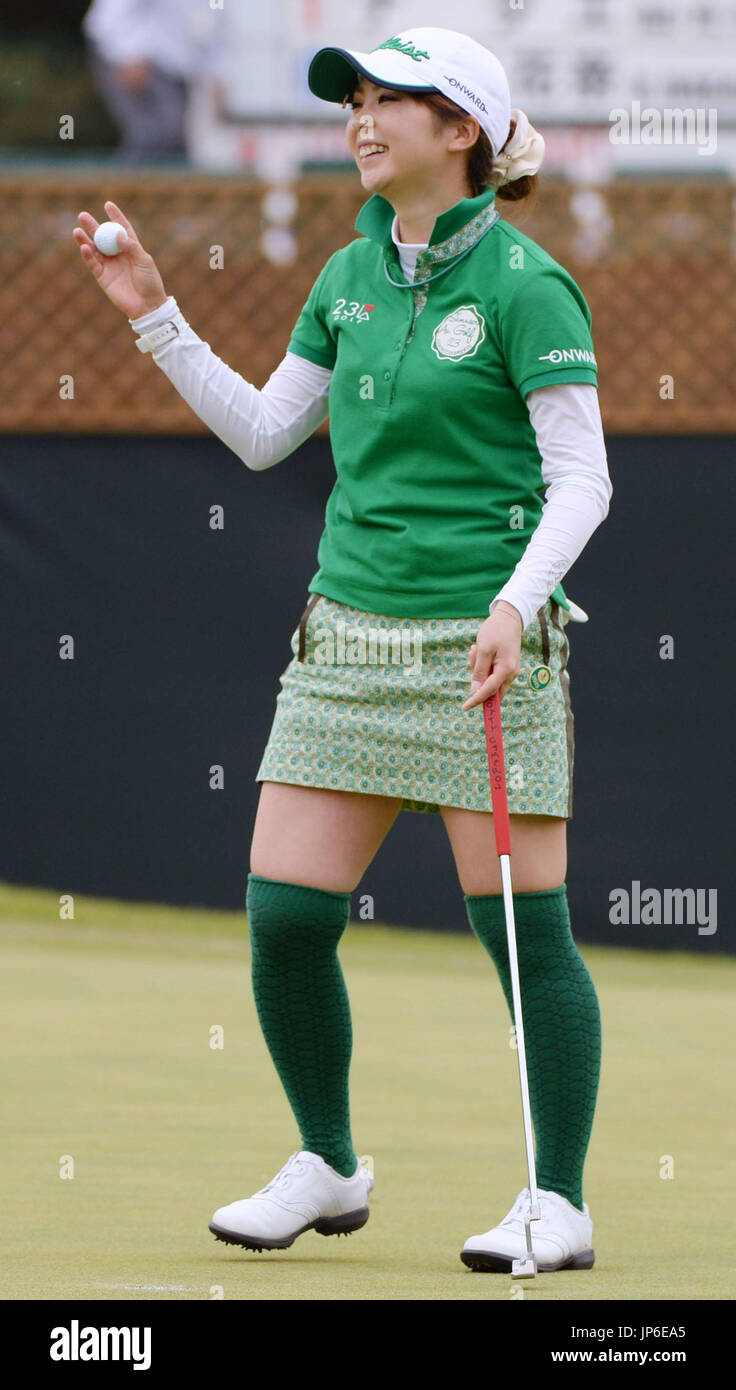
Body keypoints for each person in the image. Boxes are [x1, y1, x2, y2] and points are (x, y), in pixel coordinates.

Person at [72, 25, 611, 1274]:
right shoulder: (348, 273)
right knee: (283, 917)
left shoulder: (528, 285)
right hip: (344, 640)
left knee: (525, 936)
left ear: (461, 130)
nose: (362, 120)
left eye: (391, 101)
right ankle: (327, 1162)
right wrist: (156, 315)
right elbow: (267, 433)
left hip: (489, 648)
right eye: (354, 100)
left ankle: (560, 1201)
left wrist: (517, 604)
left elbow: (582, 481)